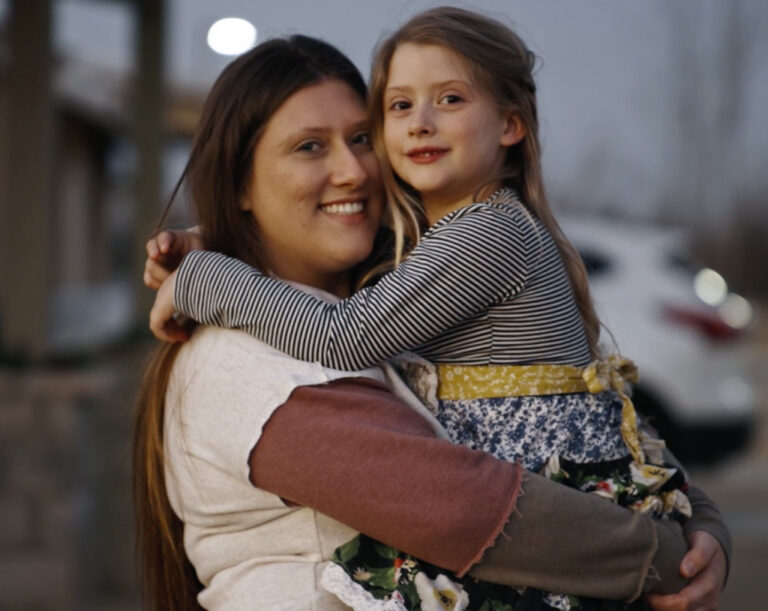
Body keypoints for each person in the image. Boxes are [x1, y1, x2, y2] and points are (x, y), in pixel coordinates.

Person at [139, 32, 729, 611]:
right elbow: (464, 508)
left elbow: (595, 413)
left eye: (362, 138)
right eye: (309, 147)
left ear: (509, 124)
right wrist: (664, 552)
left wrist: (701, 524)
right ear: (239, 183)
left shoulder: (412, 279)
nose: (353, 171)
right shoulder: (241, 360)